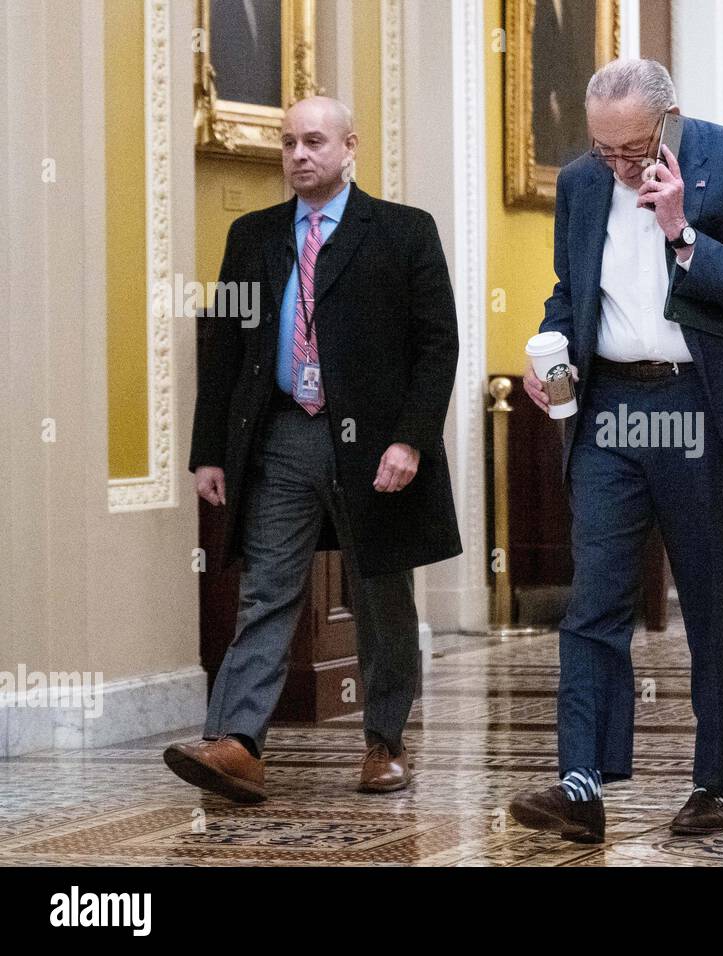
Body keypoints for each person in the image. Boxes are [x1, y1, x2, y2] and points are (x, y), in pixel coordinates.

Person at [508, 59, 723, 843]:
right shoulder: (582, 184)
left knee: (715, 605)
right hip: (610, 407)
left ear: (670, 118)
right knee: (595, 601)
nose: (616, 166)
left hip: (702, 408)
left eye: (633, 149)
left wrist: (682, 231)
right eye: (602, 150)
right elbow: (570, 286)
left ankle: (715, 784)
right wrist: (551, 345)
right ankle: (581, 782)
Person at [164, 96, 461, 803]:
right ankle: (237, 742)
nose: (299, 155)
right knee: (267, 589)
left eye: (315, 141)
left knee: (380, 591)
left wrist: (411, 440)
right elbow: (228, 350)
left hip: (375, 446)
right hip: (284, 436)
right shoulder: (253, 236)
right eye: (289, 142)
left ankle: (384, 742)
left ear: (350, 146)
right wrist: (209, 451)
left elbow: (436, 345)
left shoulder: (402, 232)